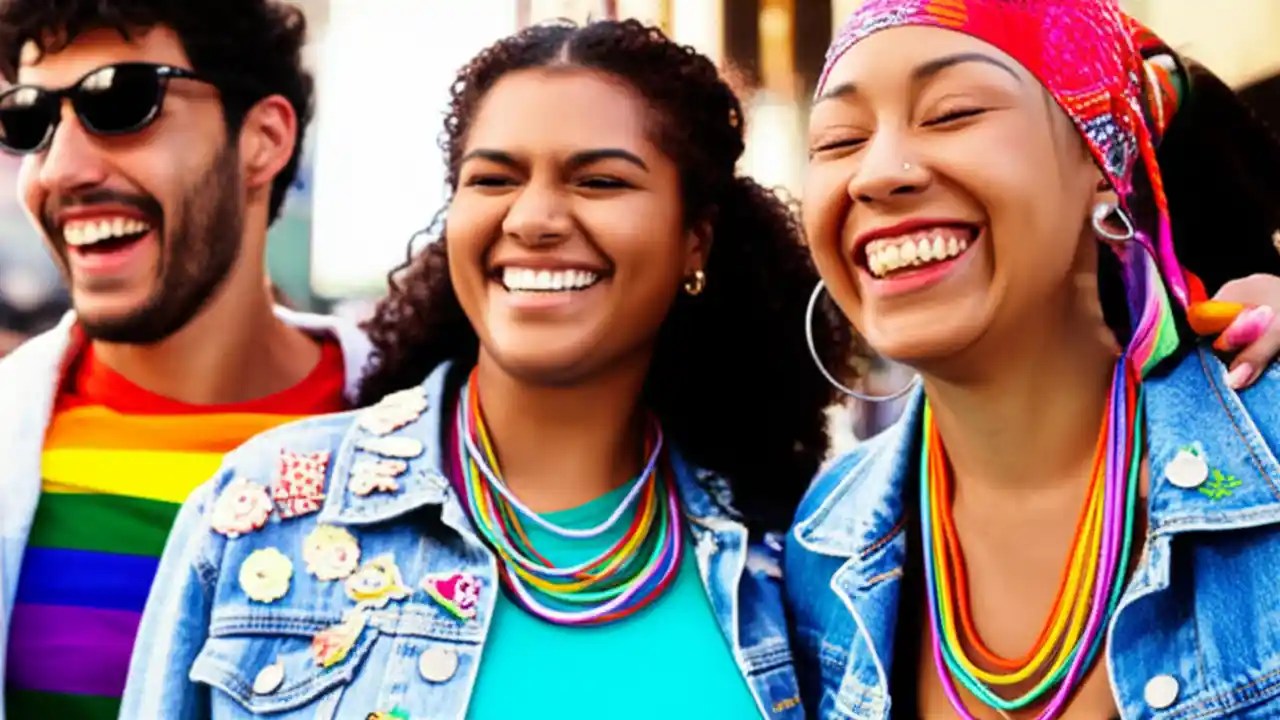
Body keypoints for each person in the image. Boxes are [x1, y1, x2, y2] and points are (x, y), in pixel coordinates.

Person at [121, 19, 845, 719]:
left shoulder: (787, 562)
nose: (531, 218)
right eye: (493, 179)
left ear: (695, 240)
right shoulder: (264, 511)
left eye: (599, 182)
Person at [786, 1, 1280, 718]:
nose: (876, 175)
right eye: (838, 140)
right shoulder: (820, 548)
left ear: (1103, 166)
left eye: (951, 113)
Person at [0, 2, 370, 717]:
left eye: (122, 101)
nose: (63, 169)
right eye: (29, 120)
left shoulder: (424, 433)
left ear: (263, 139)